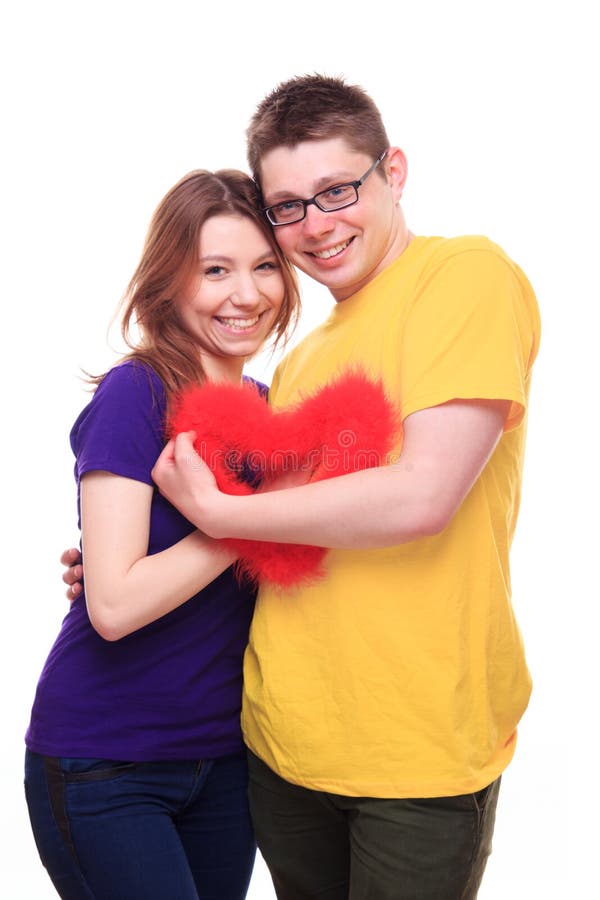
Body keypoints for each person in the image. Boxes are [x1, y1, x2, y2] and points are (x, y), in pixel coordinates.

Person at [148, 75, 541, 900]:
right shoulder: (297, 361)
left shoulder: (463, 274)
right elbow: (276, 541)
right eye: (288, 206)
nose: (316, 225)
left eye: (337, 190)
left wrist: (222, 510)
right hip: (282, 743)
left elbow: (423, 495)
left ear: (392, 172)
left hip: (417, 753)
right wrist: (139, 554)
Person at [25, 168, 300, 900]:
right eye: (215, 270)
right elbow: (113, 609)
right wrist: (239, 516)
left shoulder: (271, 414)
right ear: (170, 281)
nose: (246, 294)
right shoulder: (137, 393)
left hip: (226, 763)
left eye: (265, 266)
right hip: (107, 765)